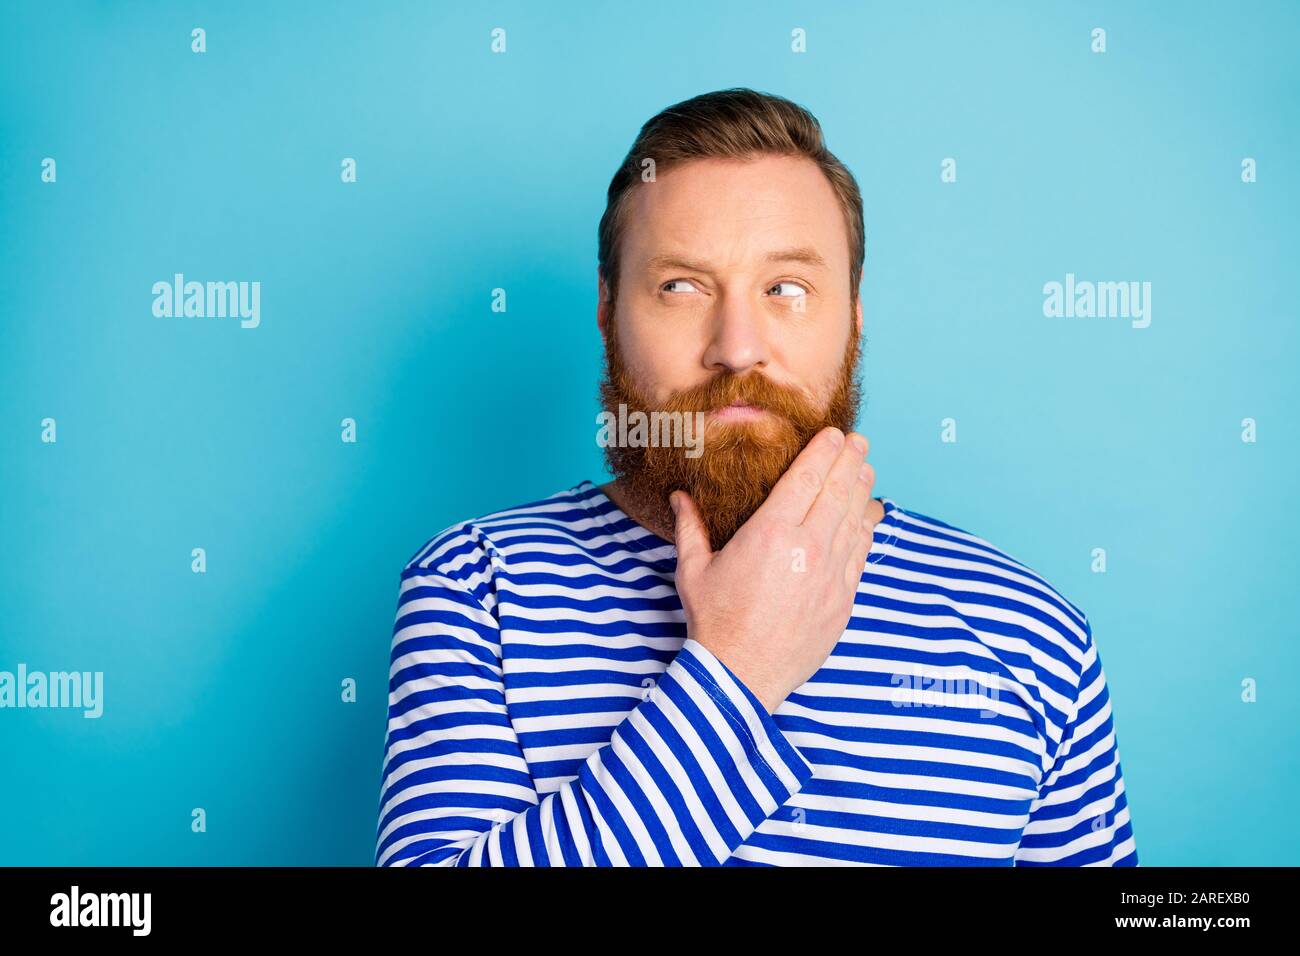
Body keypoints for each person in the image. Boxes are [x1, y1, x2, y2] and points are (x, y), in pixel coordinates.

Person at [375, 88, 1137, 867]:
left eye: (787, 290)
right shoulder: (479, 587)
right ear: (607, 311)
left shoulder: (1034, 638)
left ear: (855, 314)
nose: (737, 348)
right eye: (680, 286)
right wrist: (737, 670)